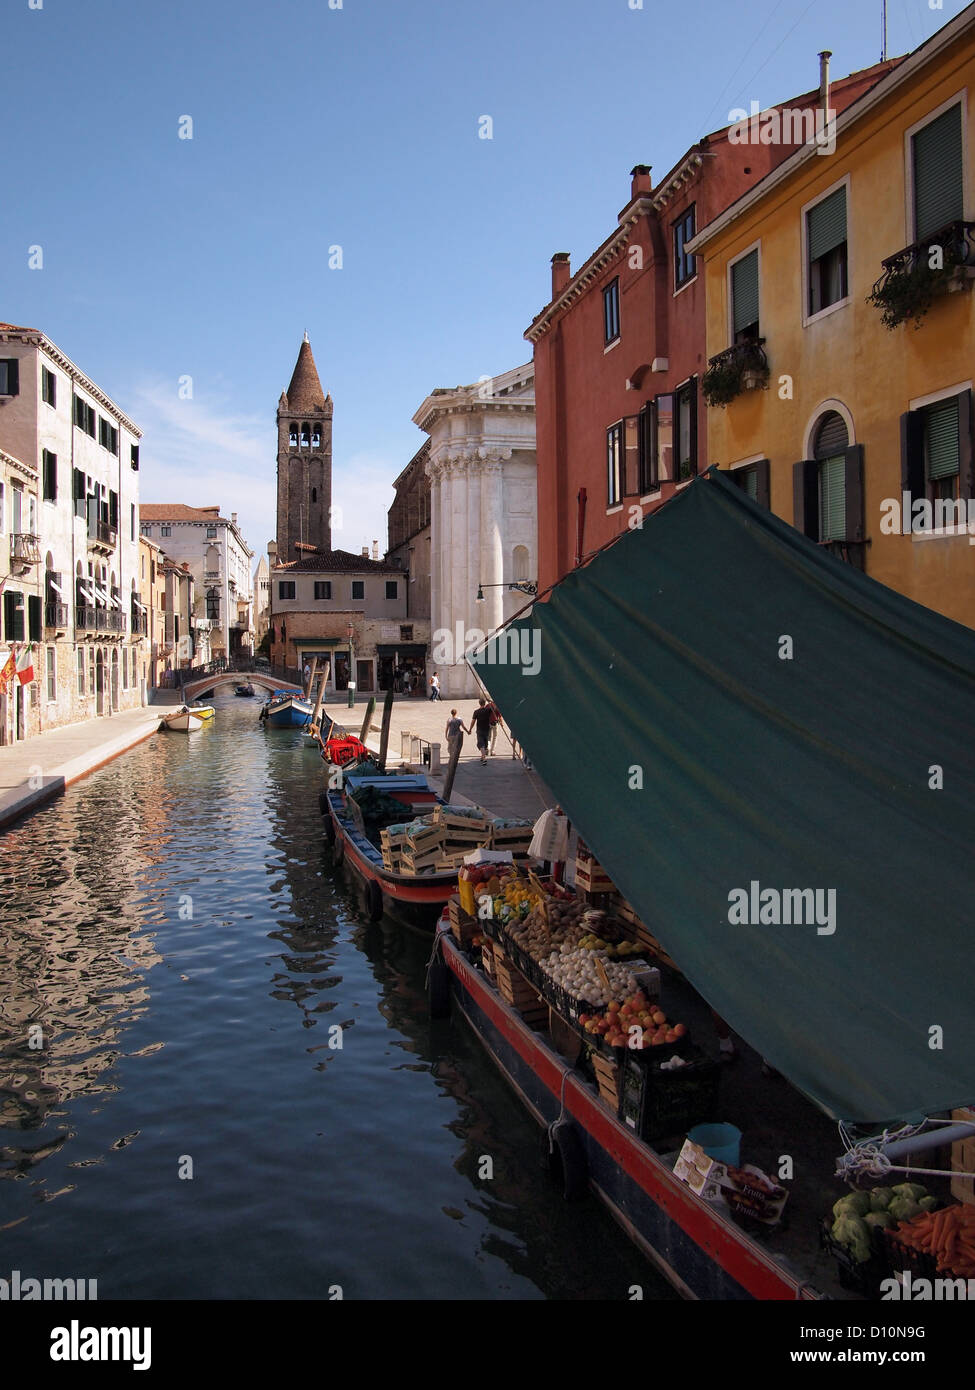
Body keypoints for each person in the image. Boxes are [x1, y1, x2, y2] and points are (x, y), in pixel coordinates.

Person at [466, 697, 495, 765]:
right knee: (484, 744)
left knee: (481, 744)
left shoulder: (476, 712)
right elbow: (494, 706)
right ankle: (483, 757)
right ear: (485, 703)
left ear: (479, 703)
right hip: (487, 729)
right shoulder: (488, 710)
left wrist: (470, 729)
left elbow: (473, 722)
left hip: (479, 730)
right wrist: (490, 701)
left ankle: (484, 757)